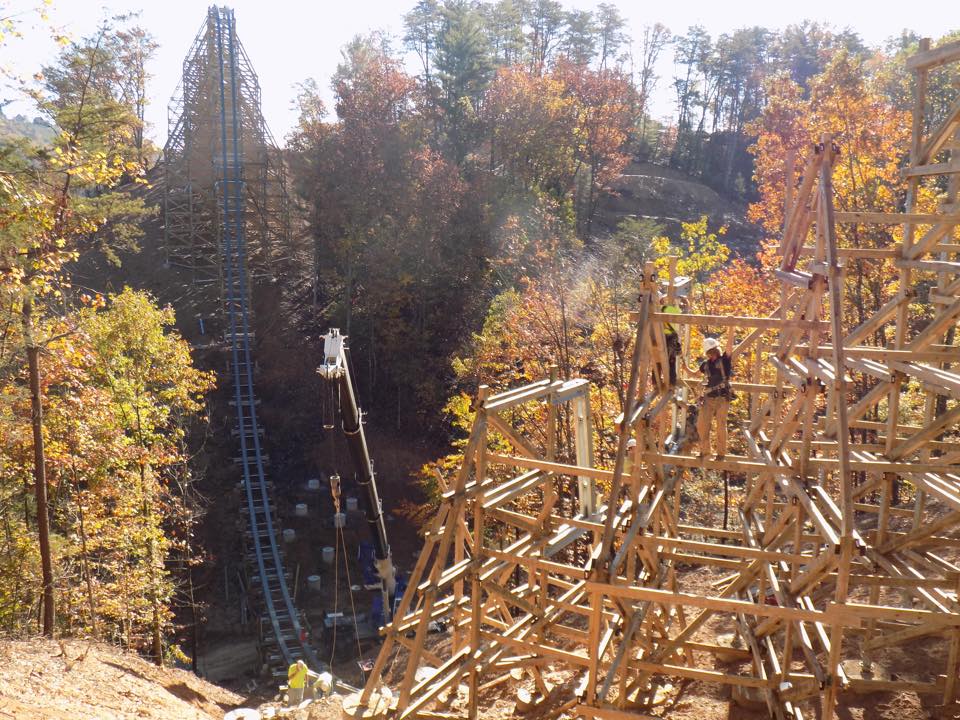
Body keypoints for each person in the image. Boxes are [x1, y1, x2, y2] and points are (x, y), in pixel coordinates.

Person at [696, 334, 734, 461]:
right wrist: (685, 368)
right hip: (709, 398)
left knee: (720, 426)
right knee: (701, 425)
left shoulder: (724, 361)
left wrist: (731, 328)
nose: (711, 354)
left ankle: (721, 454)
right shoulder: (706, 365)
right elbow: (695, 373)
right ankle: (705, 452)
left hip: (722, 398)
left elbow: (729, 347)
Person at [660, 294, 682, 387]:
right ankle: (672, 382)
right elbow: (678, 313)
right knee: (671, 361)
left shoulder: (652, 310)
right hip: (669, 338)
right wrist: (677, 303)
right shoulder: (666, 309)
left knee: (657, 361)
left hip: (658, 338)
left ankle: (655, 381)